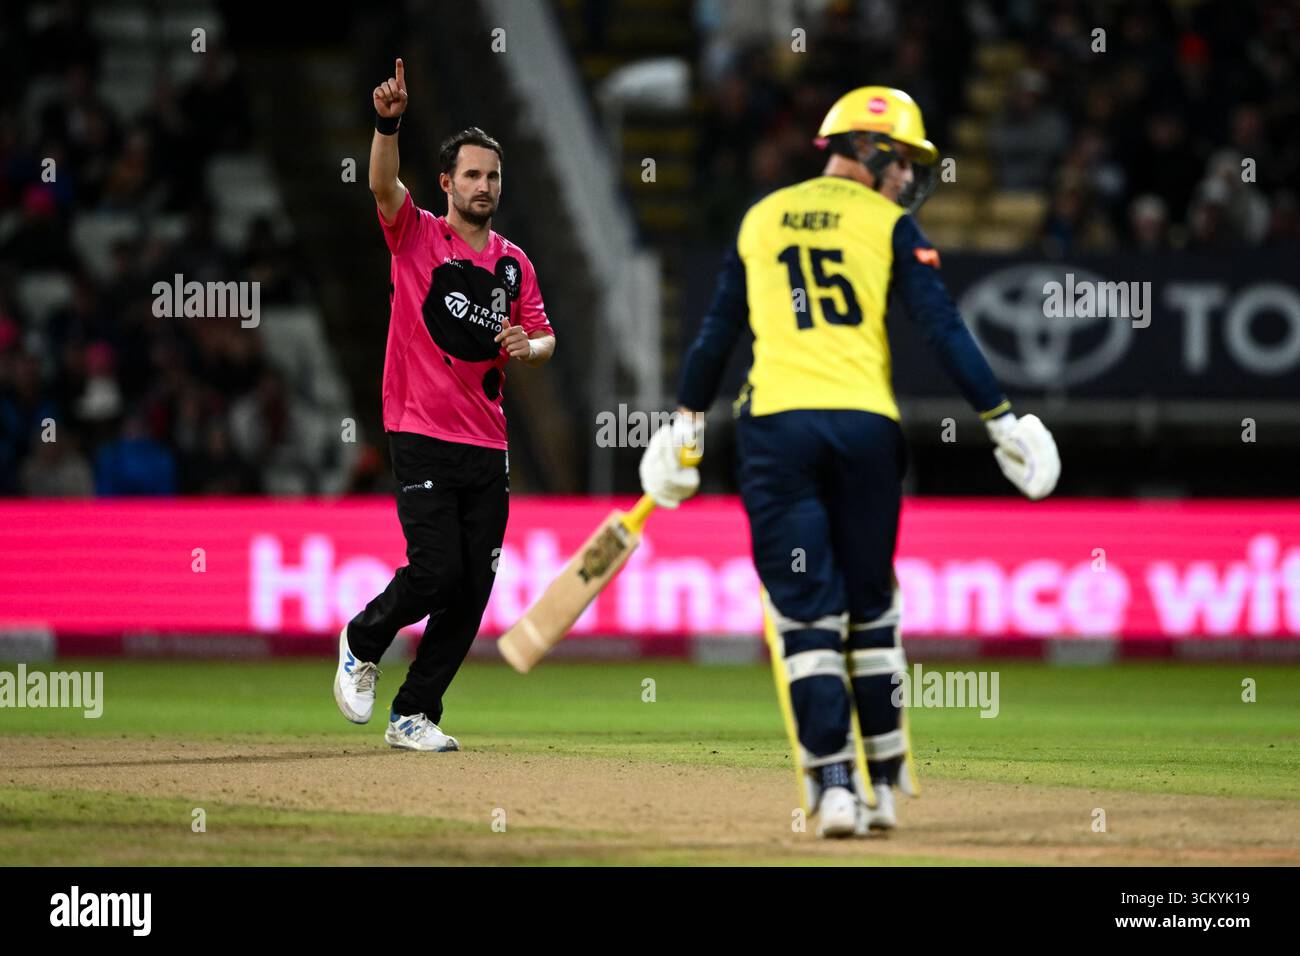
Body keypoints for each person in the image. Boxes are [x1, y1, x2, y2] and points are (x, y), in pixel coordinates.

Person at [639, 87, 1060, 836]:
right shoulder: (891, 225)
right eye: (903, 163)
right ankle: (888, 783)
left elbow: (715, 336)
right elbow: (943, 328)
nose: (907, 180)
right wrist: (1002, 418)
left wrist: (683, 425)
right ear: (868, 152)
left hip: (777, 432)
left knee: (807, 612)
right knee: (871, 610)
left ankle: (836, 787)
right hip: (867, 431)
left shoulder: (762, 217)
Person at [334, 58, 556, 752]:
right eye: (471, 175)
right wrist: (387, 123)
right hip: (420, 430)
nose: (483, 186)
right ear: (446, 183)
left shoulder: (514, 263)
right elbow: (379, 181)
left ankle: (413, 713)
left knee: (473, 590)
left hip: (487, 444)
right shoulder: (416, 234)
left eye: (492, 176)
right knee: (436, 572)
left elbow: (546, 338)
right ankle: (363, 639)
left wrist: (529, 347)